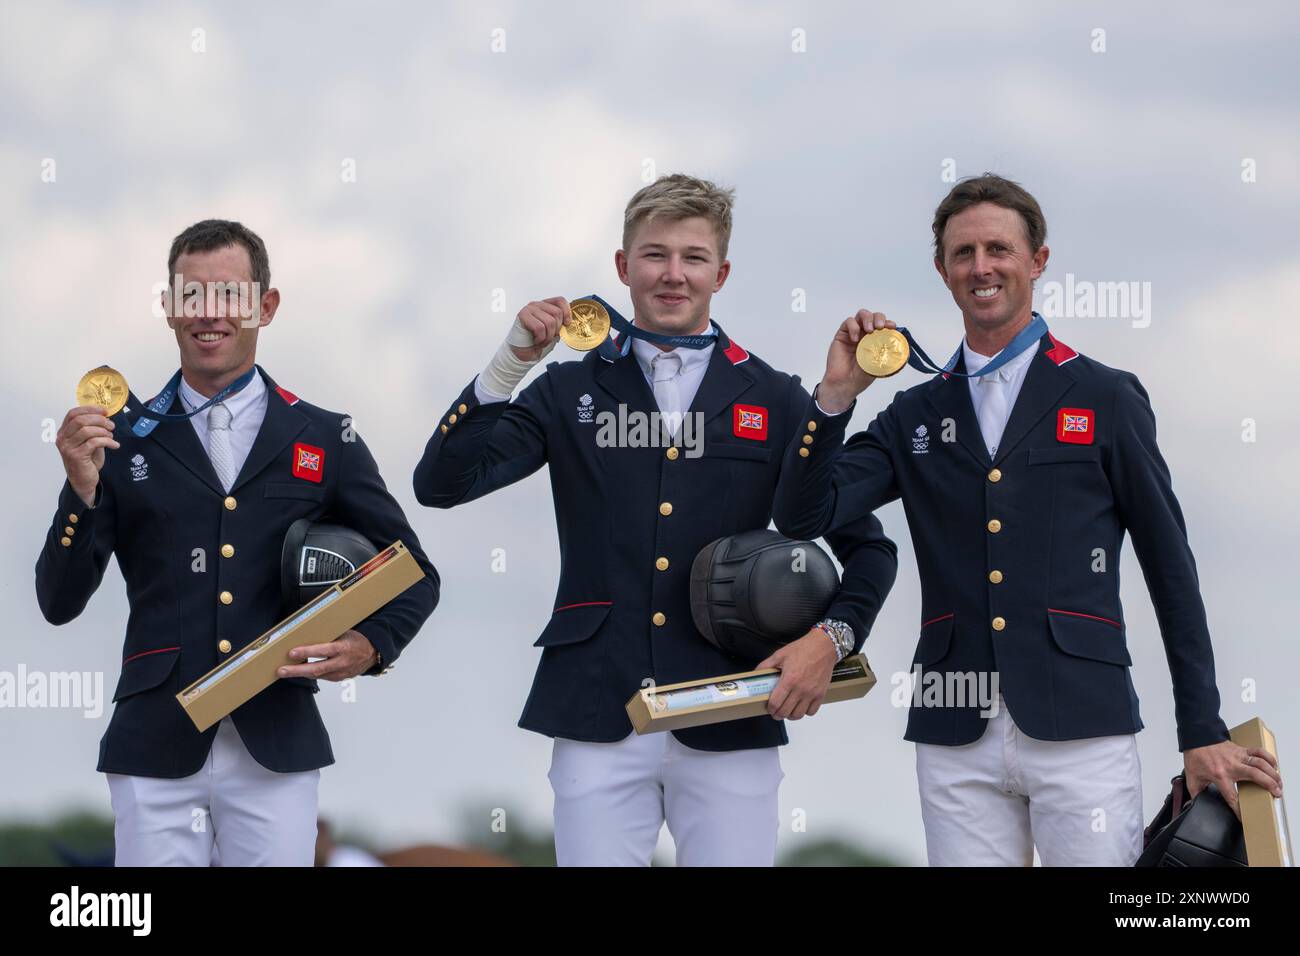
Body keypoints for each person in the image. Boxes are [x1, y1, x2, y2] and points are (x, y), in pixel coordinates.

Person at [773, 173, 1282, 865]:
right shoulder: (912, 416)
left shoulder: (1105, 396)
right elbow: (805, 514)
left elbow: (1170, 567)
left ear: (1037, 260)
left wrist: (1201, 727)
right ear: (943, 270)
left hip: (1083, 725)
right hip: (955, 733)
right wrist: (835, 395)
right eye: (963, 254)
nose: (981, 267)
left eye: (998, 249)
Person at [413, 174, 897, 866]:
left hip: (733, 710)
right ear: (622, 267)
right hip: (595, 711)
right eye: (655, 255)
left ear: (721, 272)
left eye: (694, 258)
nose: (674, 275)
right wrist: (509, 363)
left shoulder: (783, 400)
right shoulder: (568, 390)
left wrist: (833, 638)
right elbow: (441, 484)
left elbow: (871, 551)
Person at [36, 219, 439, 866]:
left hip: (277, 741)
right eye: (191, 297)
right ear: (168, 308)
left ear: (265, 306)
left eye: (229, 296)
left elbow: (414, 572)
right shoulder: (121, 439)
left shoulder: (324, 436)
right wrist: (81, 491)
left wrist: (369, 646)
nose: (209, 314)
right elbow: (58, 600)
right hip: (152, 741)